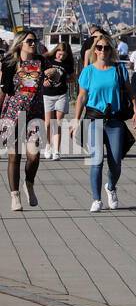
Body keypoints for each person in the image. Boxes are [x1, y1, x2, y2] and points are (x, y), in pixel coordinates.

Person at [73, 34, 136, 213]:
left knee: (116, 160)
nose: (103, 50)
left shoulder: (119, 69)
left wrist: (135, 111)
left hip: (114, 120)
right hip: (94, 118)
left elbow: (130, 90)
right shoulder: (88, 71)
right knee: (96, 161)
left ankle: (110, 186)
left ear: (111, 50)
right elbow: (81, 96)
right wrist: (75, 120)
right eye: (100, 47)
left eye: (106, 47)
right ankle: (96, 199)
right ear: (95, 50)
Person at [1, 31, 45, 210]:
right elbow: (4, 91)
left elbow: (55, 76)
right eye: (30, 41)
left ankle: (29, 183)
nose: (33, 44)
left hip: (35, 113)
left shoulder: (42, 62)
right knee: (14, 155)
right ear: (20, 44)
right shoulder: (10, 63)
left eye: (35, 41)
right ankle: (15, 195)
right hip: (14, 112)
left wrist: (53, 76)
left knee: (34, 156)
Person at [42, 42, 75, 160]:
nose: (61, 57)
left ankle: (56, 151)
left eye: (64, 55)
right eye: (60, 54)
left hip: (61, 94)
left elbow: (72, 78)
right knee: (48, 123)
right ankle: (47, 146)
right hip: (47, 94)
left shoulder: (68, 64)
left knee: (58, 122)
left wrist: (65, 78)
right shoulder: (48, 59)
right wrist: (44, 80)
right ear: (56, 51)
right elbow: (39, 73)